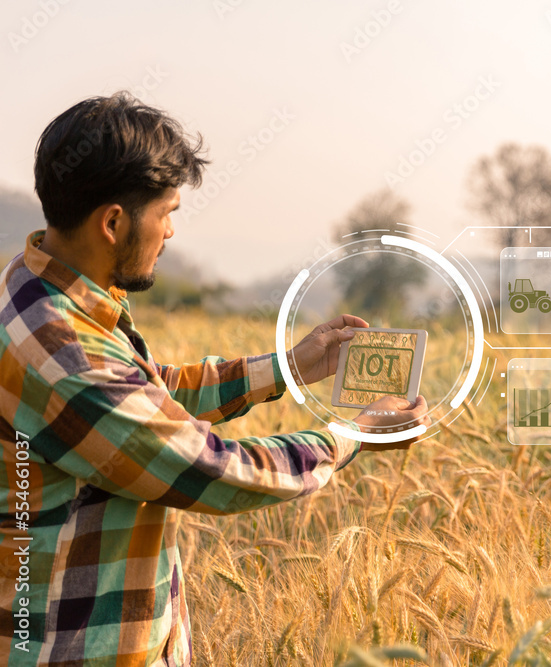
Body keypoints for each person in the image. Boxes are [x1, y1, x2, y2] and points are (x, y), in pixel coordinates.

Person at [0, 91, 429, 665]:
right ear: (112, 223)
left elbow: (141, 398)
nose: (171, 233)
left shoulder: (35, 286)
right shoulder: (65, 357)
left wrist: (287, 367)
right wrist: (353, 435)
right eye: (167, 213)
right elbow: (211, 470)